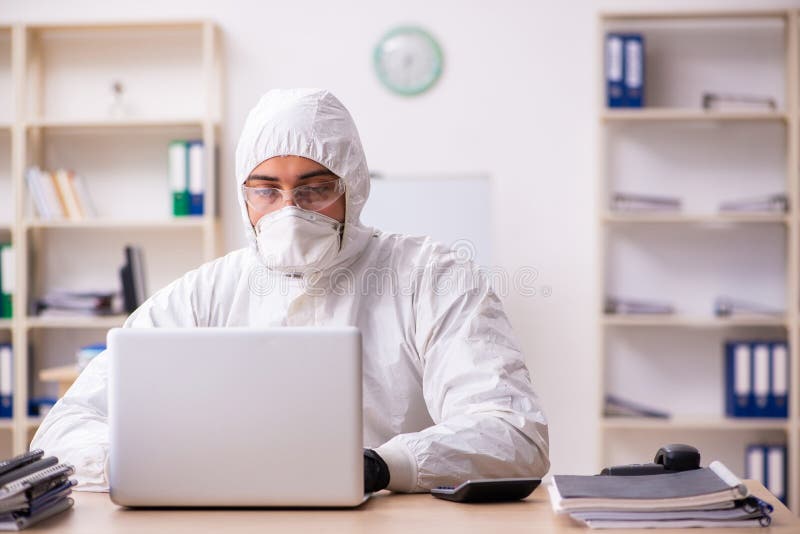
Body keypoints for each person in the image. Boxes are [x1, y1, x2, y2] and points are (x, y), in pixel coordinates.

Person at [30, 88, 550, 493]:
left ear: (353, 186)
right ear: (244, 196)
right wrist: (151, 461)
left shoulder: (431, 277)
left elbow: (513, 432)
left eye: (315, 188)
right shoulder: (208, 291)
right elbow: (66, 427)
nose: (290, 210)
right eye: (266, 189)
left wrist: (378, 467)